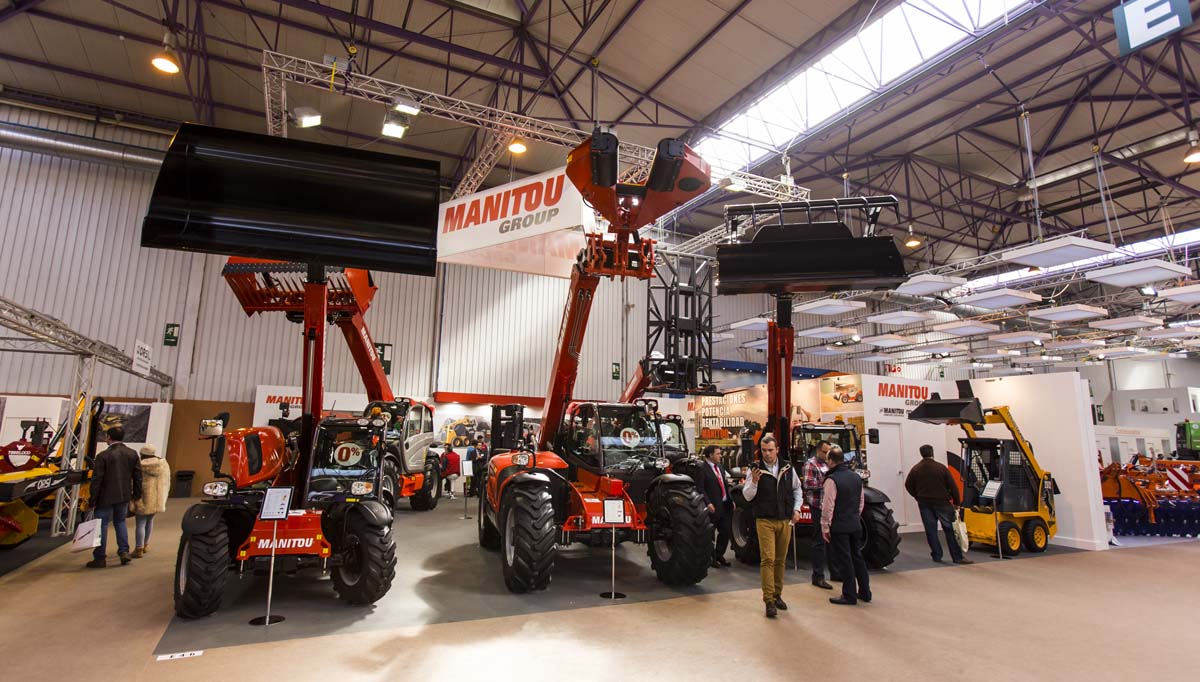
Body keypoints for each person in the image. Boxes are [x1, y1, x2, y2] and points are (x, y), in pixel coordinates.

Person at [741, 434, 803, 619]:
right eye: (764, 450)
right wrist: (754, 481)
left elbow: (797, 489)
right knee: (767, 559)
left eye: (770, 450)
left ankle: (778, 595)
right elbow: (747, 496)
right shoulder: (755, 470)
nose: (767, 454)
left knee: (780, 560)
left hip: (784, 520)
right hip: (764, 520)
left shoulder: (787, 468)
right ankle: (769, 600)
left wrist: (797, 509)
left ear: (777, 450)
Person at [905, 444, 973, 565]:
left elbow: (908, 485)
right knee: (950, 530)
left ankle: (937, 555)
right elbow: (953, 487)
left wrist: (917, 496)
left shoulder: (916, 469)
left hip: (924, 503)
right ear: (932, 453)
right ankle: (957, 557)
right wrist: (957, 502)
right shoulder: (941, 468)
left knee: (931, 530)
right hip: (942, 503)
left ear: (921, 454)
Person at [86, 427, 142, 568]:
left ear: (108, 437)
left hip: (105, 496)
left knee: (102, 525)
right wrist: (136, 494)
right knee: (120, 522)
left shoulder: (103, 456)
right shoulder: (132, 454)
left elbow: (96, 480)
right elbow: (138, 477)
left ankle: (100, 557)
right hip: (124, 495)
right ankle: (124, 552)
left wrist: (92, 500)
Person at [822, 445, 871, 605]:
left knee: (845, 560)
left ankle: (849, 594)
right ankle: (865, 591)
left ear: (831, 461)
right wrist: (855, 515)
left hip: (839, 526)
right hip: (854, 524)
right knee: (858, 557)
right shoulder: (856, 477)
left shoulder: (832, 480)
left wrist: (825, 526)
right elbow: (861, 501)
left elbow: (828, 505)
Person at [802, 439, 835, 589]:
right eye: (825, 451)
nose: (827, 454)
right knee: (819, 541)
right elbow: (808, 484)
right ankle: (818, 576)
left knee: (832, 541)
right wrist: (827, 482)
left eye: (829, 451)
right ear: (818, 451)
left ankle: (835, 572)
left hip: (831, 507)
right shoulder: (811, 464)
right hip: (818, 506)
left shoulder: (830, 464)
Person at [128, 444, 170, 558]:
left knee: (140, 523)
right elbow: (166, 481)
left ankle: (138, 548)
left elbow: (135, 483)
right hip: (157, 499)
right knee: (150, 521)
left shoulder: (140, 466)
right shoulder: (163, 464)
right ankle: (145, 545)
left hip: (144, 499)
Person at [696, 445, 733, 568]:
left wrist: (730, 499)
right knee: (711, 533)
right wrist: (708, 503)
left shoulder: (720, 467)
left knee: (725, 531)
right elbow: (700, 489)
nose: (720, 456)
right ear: (710, 455)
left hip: (724, 505)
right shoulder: (702, 469)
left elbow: (725, 485)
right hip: (712, 506)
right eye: (718, 454)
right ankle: (712, 559)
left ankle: (720, 555)